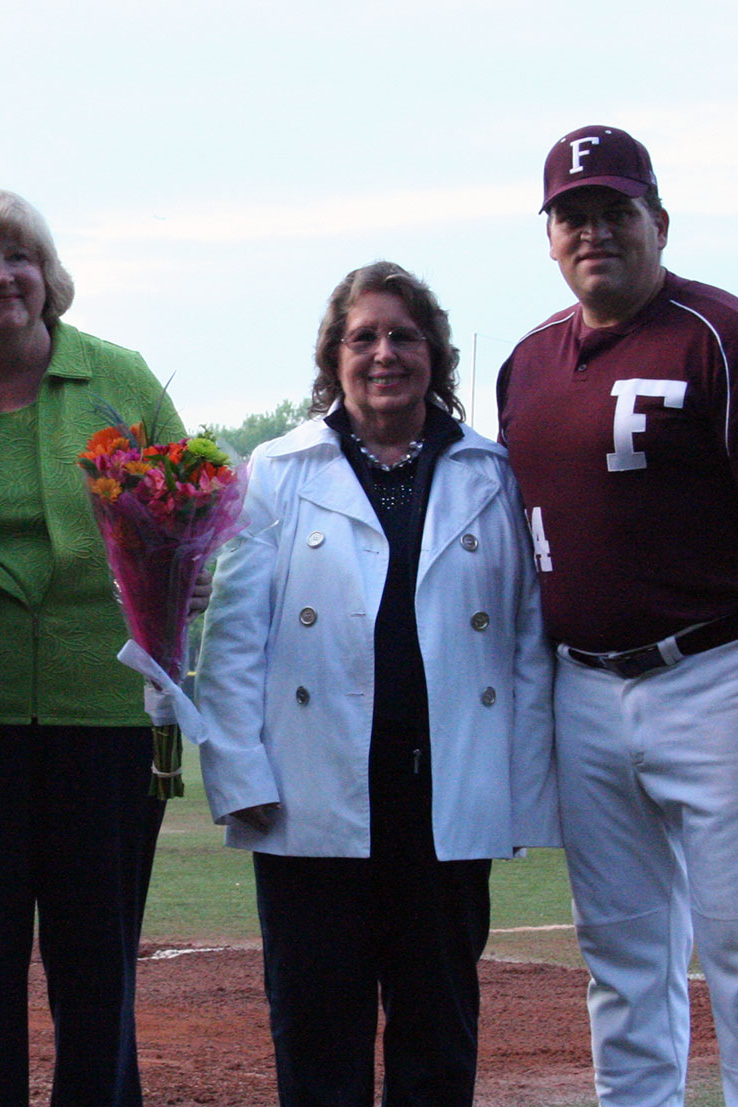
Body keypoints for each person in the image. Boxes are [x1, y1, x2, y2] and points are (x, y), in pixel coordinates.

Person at [497, 125, 738, 1107]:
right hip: (584, 688)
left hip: (720, 676)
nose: (593, 232)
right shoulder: (526, 363)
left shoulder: (723, 336)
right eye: (572, 216)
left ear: (658, 221)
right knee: (621, 961)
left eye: (615, 211)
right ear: (549, 237)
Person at [195, 261, 557, 1106]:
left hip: (445, 798)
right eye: (364, 337)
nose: (384, 353)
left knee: (438, 1037)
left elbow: (527, 640)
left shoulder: (492, 472)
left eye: (404, 335)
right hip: (308, 796)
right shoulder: (278, 470)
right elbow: (234, 641)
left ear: (435, 353)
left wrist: (520, 788)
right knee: (317, 1036)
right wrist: (239, 776)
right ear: (335, 356)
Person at [0, 186, 182, 1107]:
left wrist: (163, 554)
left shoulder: (120, 378)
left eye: (17, 256)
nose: (1, 277)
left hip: (104, 713)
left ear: (46, 271)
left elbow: (191, 524)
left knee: (97, 970)